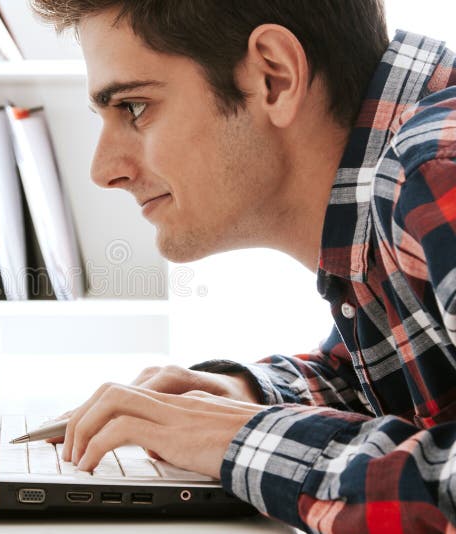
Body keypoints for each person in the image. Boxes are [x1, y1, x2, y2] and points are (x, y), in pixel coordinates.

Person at [29, 0, 456, 531]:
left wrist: (234, 439)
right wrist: (244, 396)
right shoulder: (390, 202)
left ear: (273, 77)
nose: (102, 171)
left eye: (135, 108)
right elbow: (391, 379)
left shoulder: (437, 167)